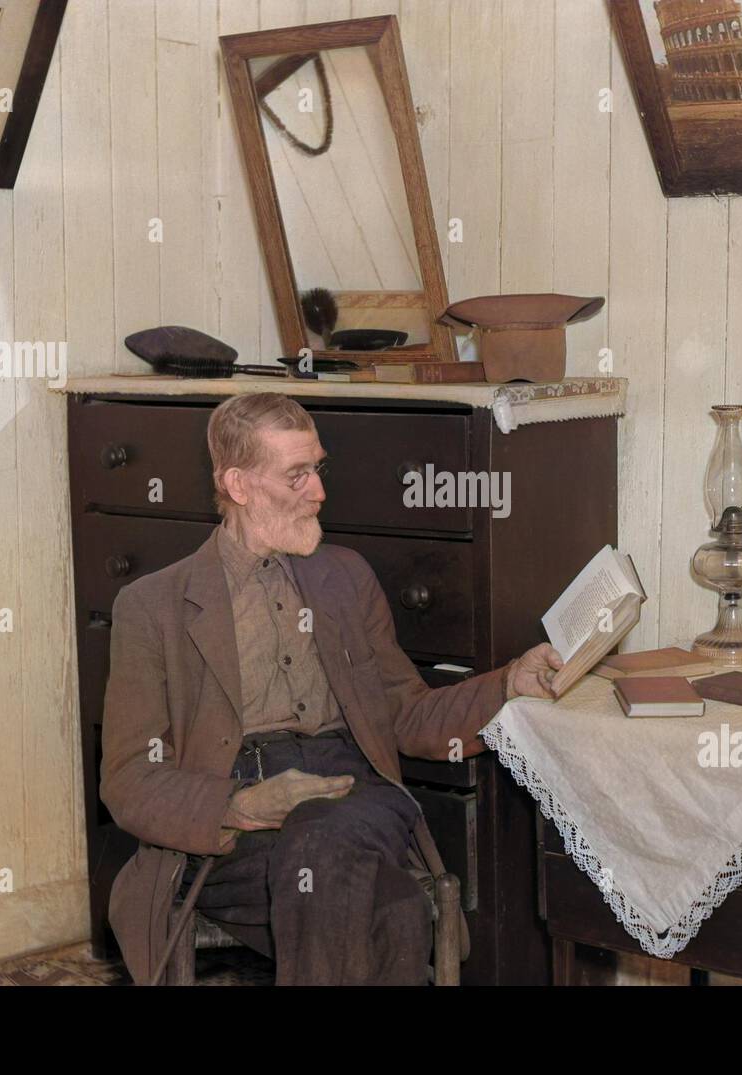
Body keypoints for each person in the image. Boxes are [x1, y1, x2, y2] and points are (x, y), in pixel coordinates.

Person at [100, 393, 562, 985]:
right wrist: (239, 804)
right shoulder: (153, 607)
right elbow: (130, 778)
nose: (318, 491)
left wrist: (507, 685)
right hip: (237, 819)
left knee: (322, 842)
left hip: (354, 791)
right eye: (297, 475)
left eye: (318, 469)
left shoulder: (345, 577)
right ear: (238, 485)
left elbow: (407, 715)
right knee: (389, 908)